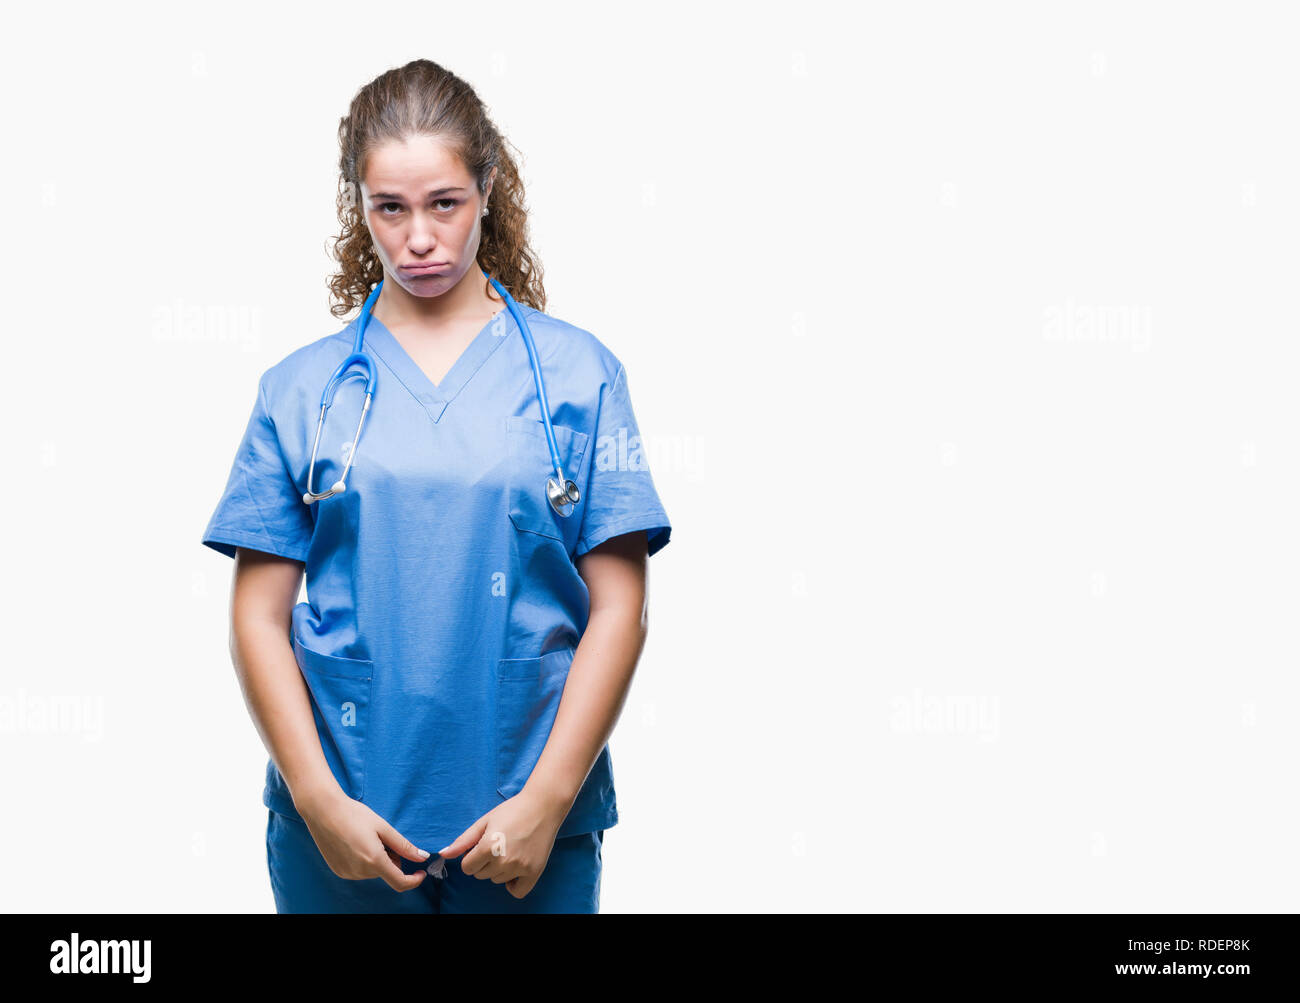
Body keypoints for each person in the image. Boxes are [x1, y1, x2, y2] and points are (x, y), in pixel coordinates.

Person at [200, 59, 671, 914]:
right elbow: (255, 616)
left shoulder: (578, 375)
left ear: (488, 190)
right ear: (361, 206)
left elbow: (621, 608)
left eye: (444, 203)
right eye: (392, 207)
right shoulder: (300, 388)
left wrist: (546, 801)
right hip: (342, 832)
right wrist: (317, 801)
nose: (419, 237)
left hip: (529, 835)